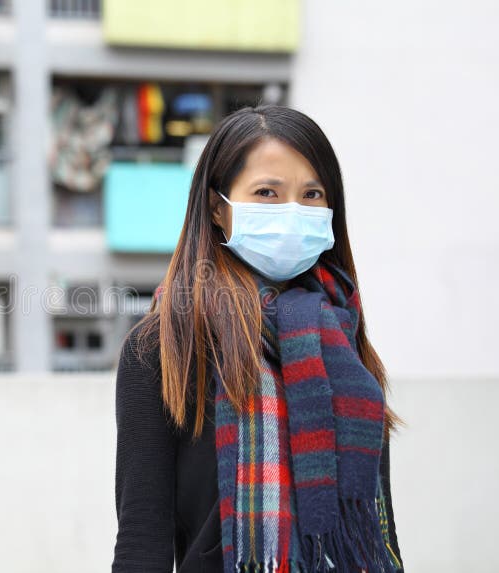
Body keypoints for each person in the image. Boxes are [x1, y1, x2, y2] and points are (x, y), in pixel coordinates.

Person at [111, 104, 404, 573]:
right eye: (267, 192)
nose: (293, 211)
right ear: (217, 208)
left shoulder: (345, 342)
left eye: (312, 194)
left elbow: (374, 528)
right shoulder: (164, 344)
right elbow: (142, 537)